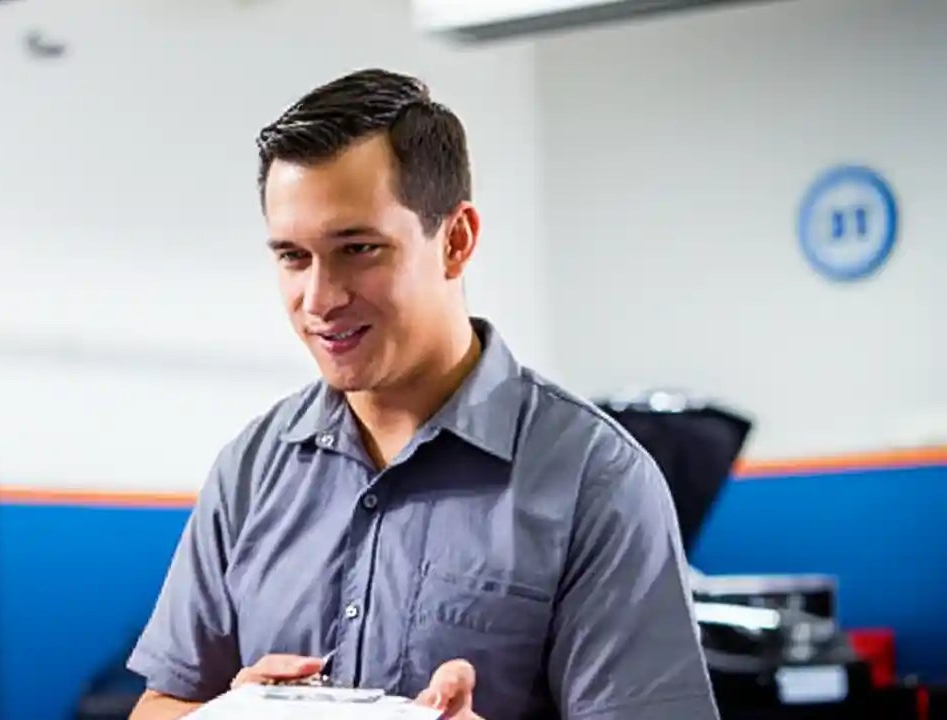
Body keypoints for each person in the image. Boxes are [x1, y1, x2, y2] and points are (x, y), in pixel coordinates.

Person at [126, 68, 719, 720]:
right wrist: (237, 714)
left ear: (456, 240)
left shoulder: (596, 482)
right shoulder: (252, 469)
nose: (319, 300)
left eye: (358, 248)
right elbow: (162, 704)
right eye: (293, 256)